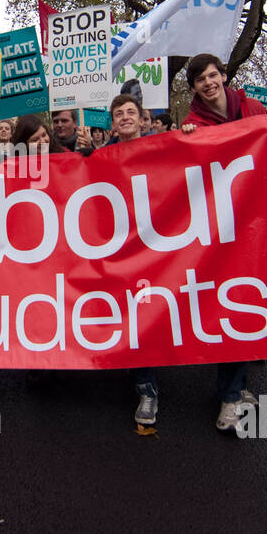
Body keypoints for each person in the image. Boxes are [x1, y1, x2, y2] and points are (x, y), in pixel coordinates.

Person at [180, 53, 267, 432]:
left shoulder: (254, 108)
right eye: (200, 80)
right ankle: (230, 395)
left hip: (256, 223)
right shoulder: (193, 122)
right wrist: (187, 142)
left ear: (223, 77)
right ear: (193, 88)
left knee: (249, 301)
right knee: (229, 303)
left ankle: (235, 386)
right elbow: (191, 173)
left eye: (212, 76)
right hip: (220, 230)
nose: (208, 84)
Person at [106, 93, 164, 425]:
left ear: (142, 120)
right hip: (115, 250)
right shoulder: (101, 156)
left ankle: (147, 390)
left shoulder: (162, 148)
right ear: (112, 122)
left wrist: (191, 135)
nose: (126, 117)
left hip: (154, 249)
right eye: (119, 113)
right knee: (124, 314)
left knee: (145, 316)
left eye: (132, 112)